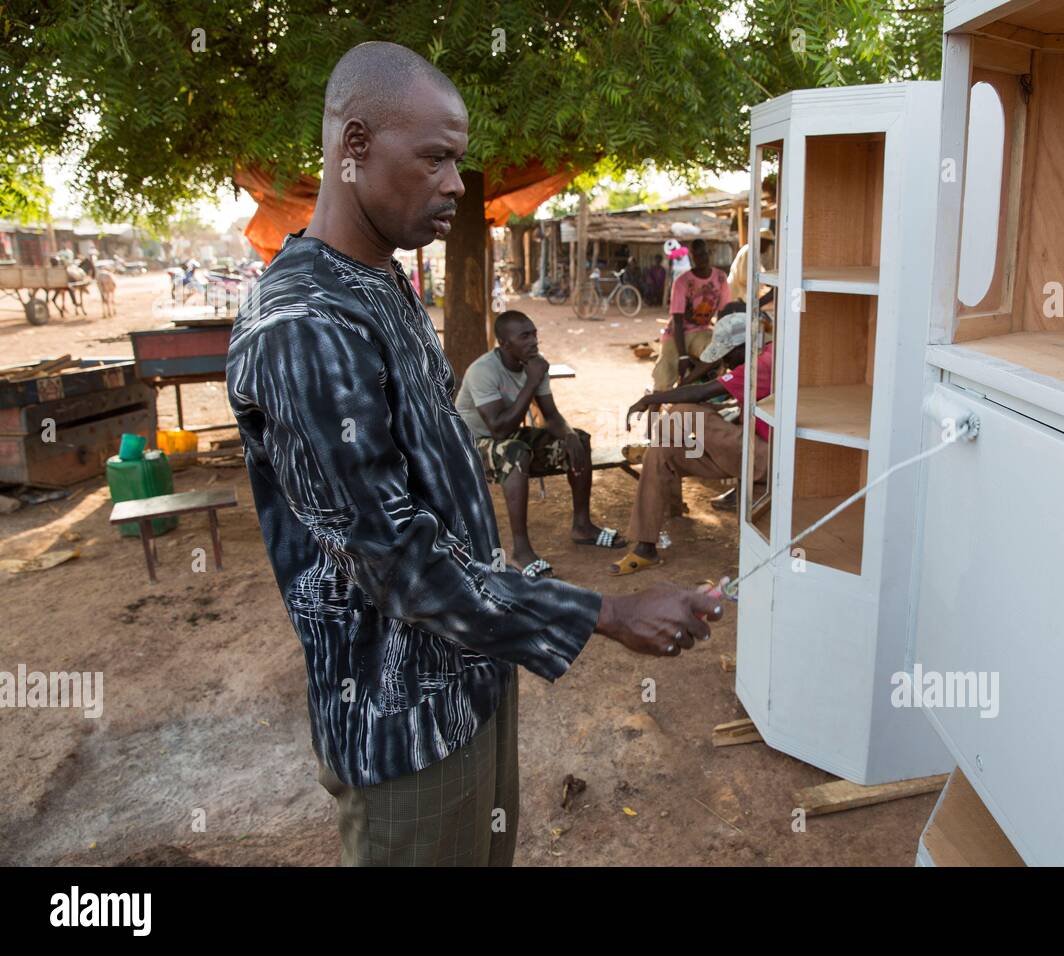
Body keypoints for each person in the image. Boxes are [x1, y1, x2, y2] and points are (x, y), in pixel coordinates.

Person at [226, 41, 722, 868]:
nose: (458, 183)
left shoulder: (380, 285)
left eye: (459, 160)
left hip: (471, 685)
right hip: (401, 731)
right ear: (355, 146)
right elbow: (393, 559)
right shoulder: (305, 326)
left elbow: (444, 518)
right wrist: (604, 611)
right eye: (437, 158)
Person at [456, 309, 627, 579]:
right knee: (515, 452)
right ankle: (521, 552)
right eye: (525, 336)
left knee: (579, 440)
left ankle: (582, 526)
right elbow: (499, 428)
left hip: (508, 437)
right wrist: (532, 381)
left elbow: (551, 416)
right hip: (471, 445)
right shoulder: (483, 371)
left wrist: (569, 434)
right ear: (504, 342)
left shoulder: (535, 363)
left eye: (534, 333)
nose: (534, 341)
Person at [610, 309, 772, 575]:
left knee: (685, 411)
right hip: (743, 450)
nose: (726, 363)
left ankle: (662, 437)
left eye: (727, 355)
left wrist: (652, 399)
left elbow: (702, 391)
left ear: (744, 347)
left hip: (766, 457)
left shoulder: (763, 363)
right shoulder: (756, 356)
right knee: (661, 453)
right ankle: (645, 548)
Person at [653, 238, 731, 391]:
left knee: (719, 352)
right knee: (662, 382)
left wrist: (721, 338)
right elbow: (678, 321)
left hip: (702, 331)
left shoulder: (720, 278)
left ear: (710, 253)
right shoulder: (682, 282)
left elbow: (723, 314)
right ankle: (654, 409)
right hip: (677, 334)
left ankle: (685, 384)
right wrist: (683, 356)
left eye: (704, 253)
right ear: (692, 257)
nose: (702, 257)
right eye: (697, 255)